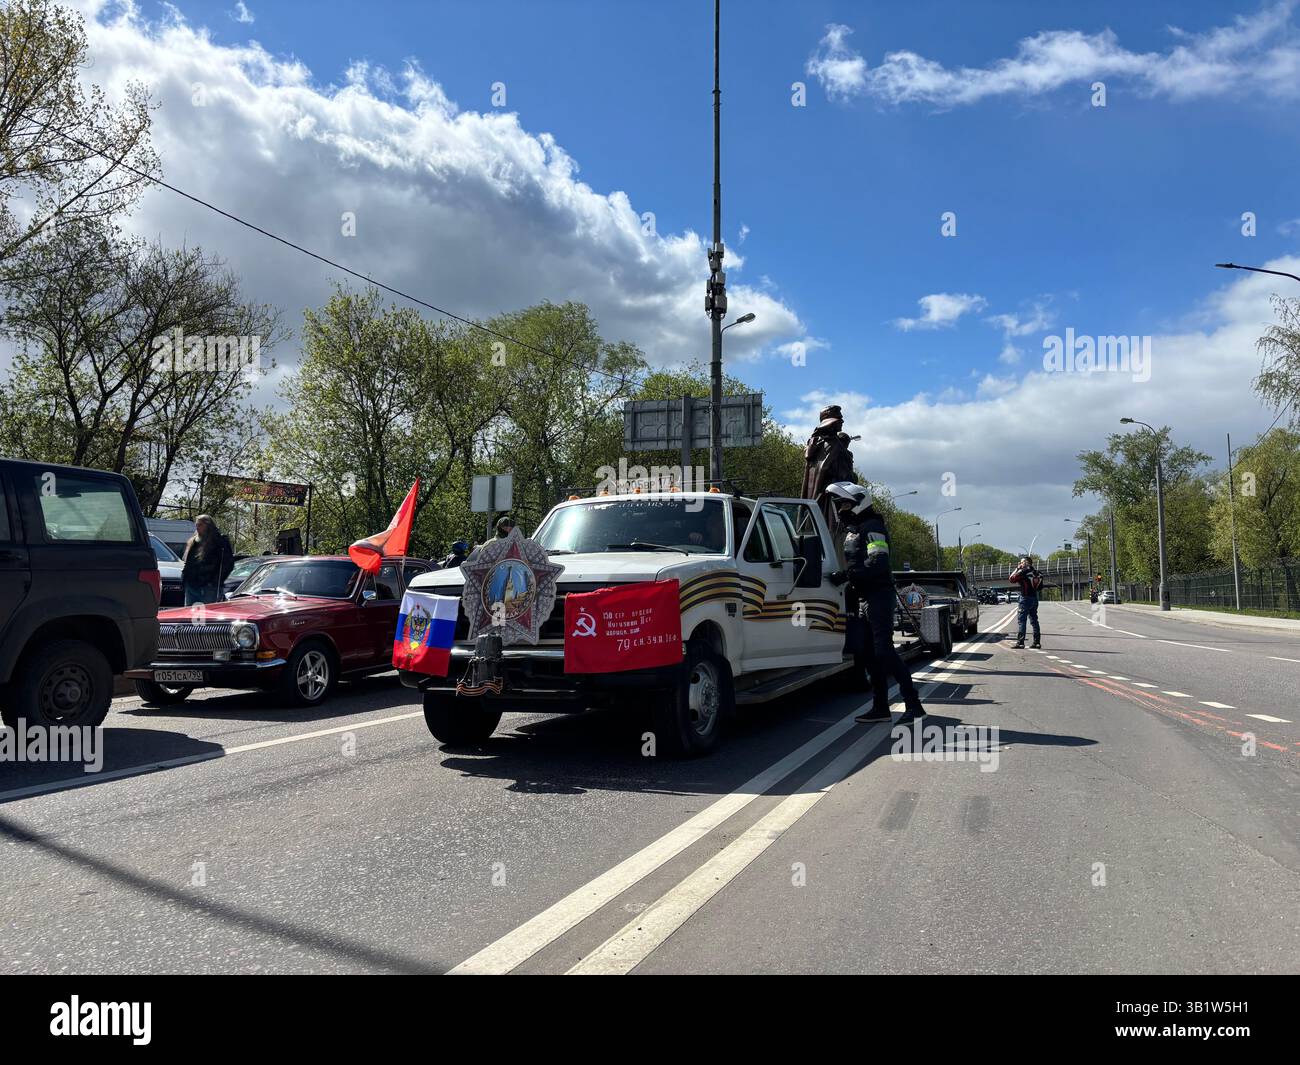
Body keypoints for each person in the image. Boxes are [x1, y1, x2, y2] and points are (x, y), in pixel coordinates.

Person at [825, 481, 926, 724]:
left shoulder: (872, 526)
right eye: (839, 504)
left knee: (884, 651)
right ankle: (881, 707)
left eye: (846, 504)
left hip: (879, 595)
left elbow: (878, 561)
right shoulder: (854, 529)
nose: (841, 509)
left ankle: (914, 704)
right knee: (869, 654)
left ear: (860, 502)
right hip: (863, 596)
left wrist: (847, 575)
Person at [181, 514, 234, 605]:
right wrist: (184, 578)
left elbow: (228, 564)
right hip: (191, 584)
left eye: (200, 525)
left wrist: (215, 581)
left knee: (207, 614)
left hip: (209, 586)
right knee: (190, 614)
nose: (197, 527)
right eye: (197, 525)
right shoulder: (194, 542)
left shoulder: (219, 541)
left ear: (208, 525)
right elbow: (189, 563)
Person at [1009, 556, 1043, 648]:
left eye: (1022, 562)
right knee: (1034, 620)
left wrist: (1017, 569)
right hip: (1034, 599)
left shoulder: (1023, 572)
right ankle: (1037, 642)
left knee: (1022, 621)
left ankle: (1020, 642)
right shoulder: (1038, 573)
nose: (1020, 564)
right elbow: (1040, 588)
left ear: (1027, 563)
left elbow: (1011, 579)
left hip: (1025, 598)